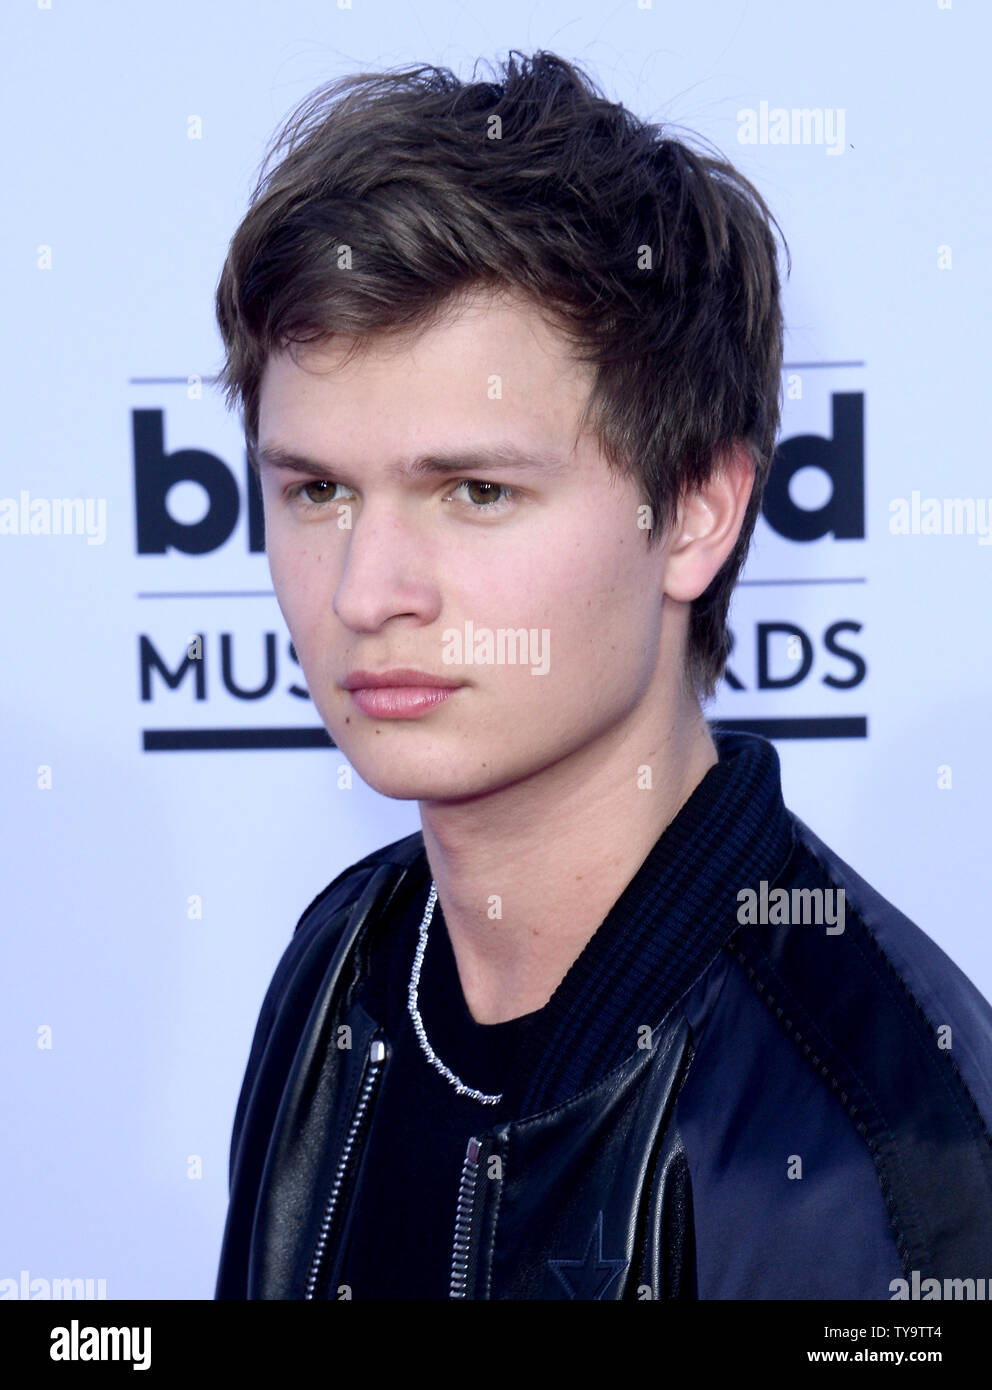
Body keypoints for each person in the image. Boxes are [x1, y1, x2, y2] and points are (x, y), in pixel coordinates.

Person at [212, 51, 992, 1300]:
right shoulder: (341, 971)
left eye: (474, 491)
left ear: (692, 513)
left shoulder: (879, 1140)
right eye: (316, 491)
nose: (364, 593)